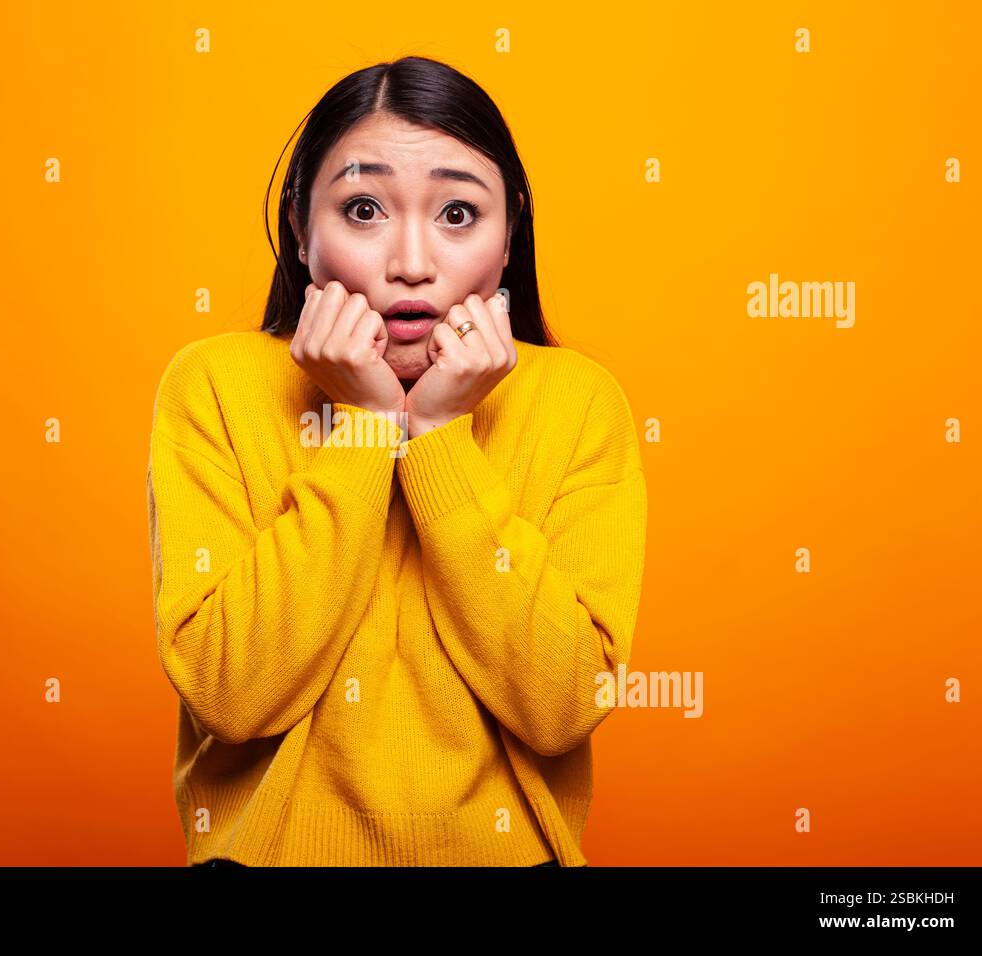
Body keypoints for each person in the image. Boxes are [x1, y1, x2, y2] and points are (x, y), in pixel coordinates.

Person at [147, 55, 647, 867]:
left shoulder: (578, 401)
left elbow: (561, 706)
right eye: (365, 207)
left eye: (457, 212)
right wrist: (369, 426)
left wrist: (442, 438)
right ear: (301, 226)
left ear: (510, 228)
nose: (412, 262)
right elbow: (231, 695)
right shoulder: (214, 385)